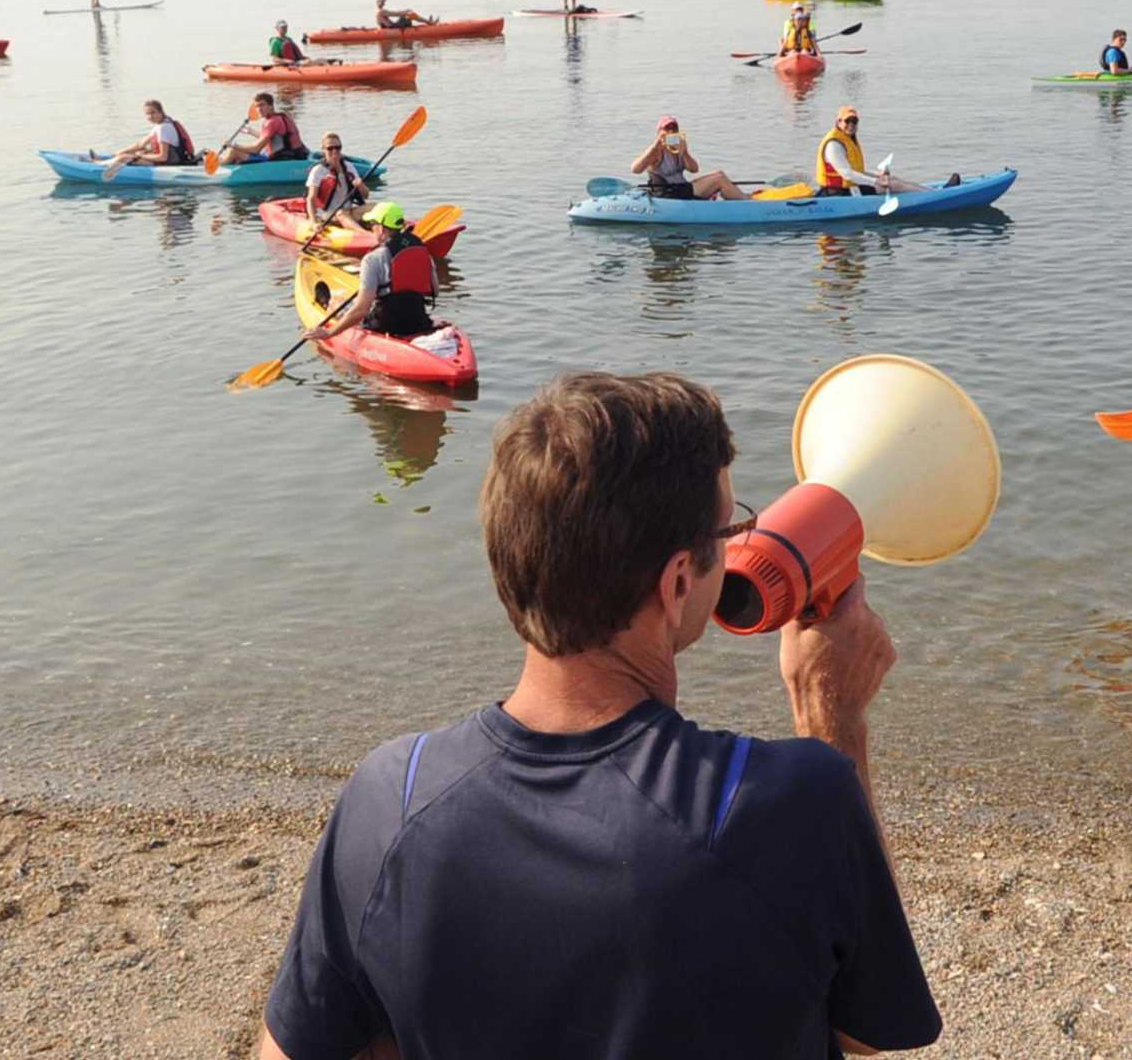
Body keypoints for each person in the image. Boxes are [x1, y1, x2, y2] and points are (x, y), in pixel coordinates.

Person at [255, 371, 941, 1059]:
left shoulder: (391, 800)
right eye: (729, 527)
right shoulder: (790, 801)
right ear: (677, 583)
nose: (735, 546)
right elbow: (868, 1031)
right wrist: (831, 709)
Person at [306, 201, 437, 341]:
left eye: (371, 225)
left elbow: (361, 310)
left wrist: (329, 333)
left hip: (385, 326)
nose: (371, 229)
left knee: (335, 302)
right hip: (419, 321)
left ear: (381, 228)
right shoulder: (423, 252)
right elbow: (435, 290)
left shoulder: (372, 259)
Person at [816, 107, 952, 197]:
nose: (851, 125)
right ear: (839, 122)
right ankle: (938, 196)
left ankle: (936, 192)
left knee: (892, 179)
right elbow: (847, 174)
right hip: (839, 193)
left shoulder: (847, 139)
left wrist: (877, 176)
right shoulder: (834, 145)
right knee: (894, 185)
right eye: (847, 121)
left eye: (854, 121)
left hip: (849, 188)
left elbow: (857, 170)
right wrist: (875, 182)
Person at [630, 115, 748, 201]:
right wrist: (655, 145)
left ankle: (738, 197)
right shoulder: (655, 151)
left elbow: (694, 169)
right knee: (719, 179)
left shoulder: (679, 147)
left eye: (674, 129)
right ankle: (747, 202)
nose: (671, 131)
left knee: (719, 173)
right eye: (667, 129)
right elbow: (635, 169)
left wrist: (684, 152)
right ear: (659, 132)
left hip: (682, 188)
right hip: (668, 192)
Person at [93, 99, 196, 170]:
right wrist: (121, 151)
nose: (150, 116)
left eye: (153, 112)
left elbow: (163, 157)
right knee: (134, 152)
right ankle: (107, 160)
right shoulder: (161, 124)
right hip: (168, 160)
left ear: (161, 112)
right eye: (147, 114)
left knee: (124, 158)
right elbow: (140, 144)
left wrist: (141, 155)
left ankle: (99, 165)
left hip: (168, 164)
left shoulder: (164, 128)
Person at [304, 133, 372, 230]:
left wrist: (361, 186)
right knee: (341, 213)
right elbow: (311, 199)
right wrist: (314, 222)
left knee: (377, 207)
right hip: (329, 216)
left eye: (338, 147)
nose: (334, 151)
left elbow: (366, 195)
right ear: (323, 149)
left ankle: (395, 230)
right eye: (330, 148)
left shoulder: (349, 167)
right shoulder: (318, 171)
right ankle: (366, 236)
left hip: (349, 211)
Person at [219, 93, 308, 164]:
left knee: (234, 152)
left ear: (271, 106)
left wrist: (233, 145)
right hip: (297, 154)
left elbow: (256, 149)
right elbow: (272, 138)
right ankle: (224, 160)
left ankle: (219, 166)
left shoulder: (271, 122)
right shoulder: (283, 116)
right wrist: (251, 131)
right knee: (241, 153)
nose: (259, 109)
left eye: (262, 105)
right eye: (257, 106)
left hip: (279, 160)